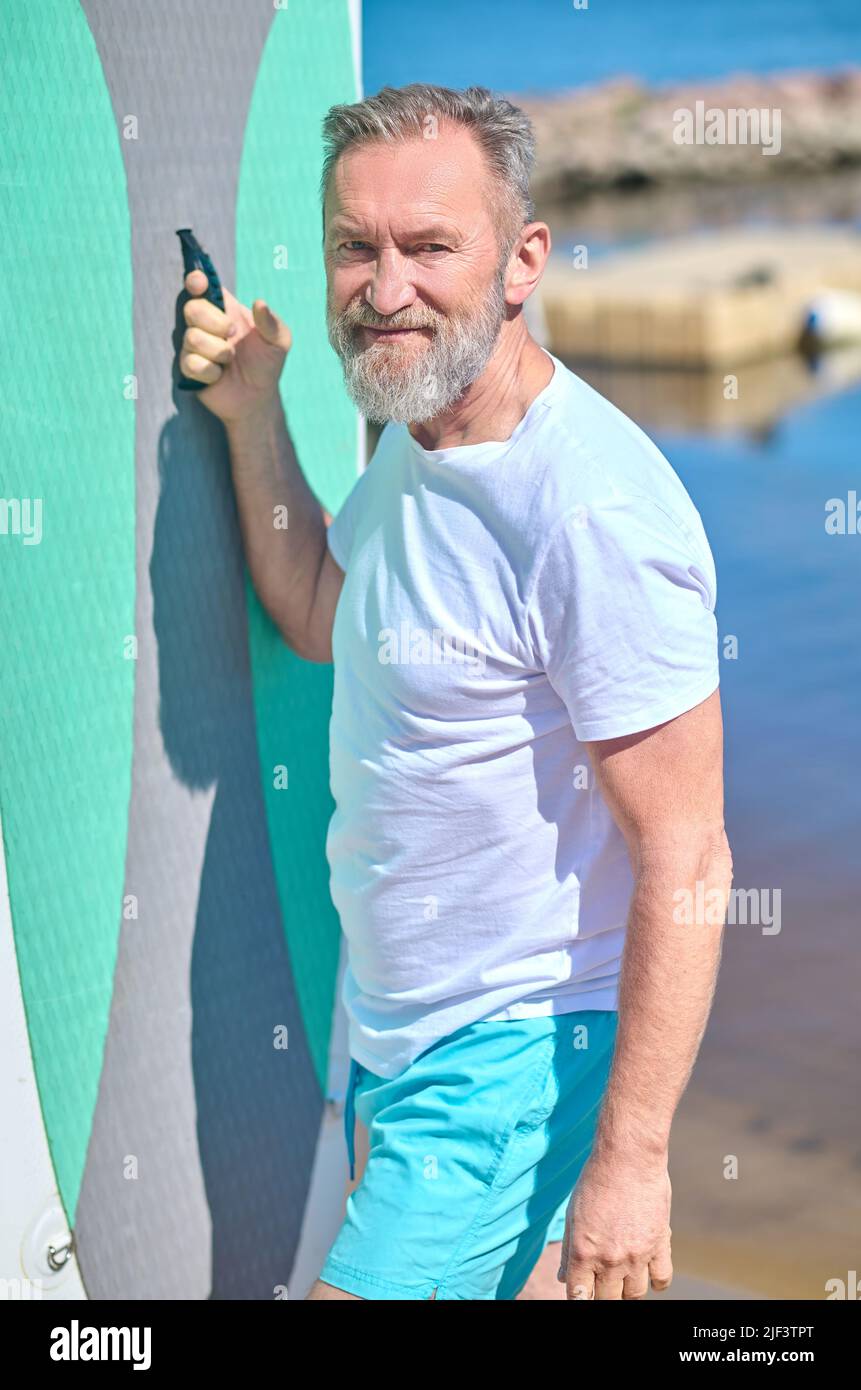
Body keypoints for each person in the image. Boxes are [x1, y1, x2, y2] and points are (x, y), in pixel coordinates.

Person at [178, 83, 733, 1301]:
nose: (385, 291)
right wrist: (253, 411)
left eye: (430, 247)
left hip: (514, 1058)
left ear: (524, 259)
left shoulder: (588, 512)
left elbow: (690, 859)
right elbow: (325, 610)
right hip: (400, 1042)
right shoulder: (419, 442)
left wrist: (633, 1160)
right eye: (353, 248)